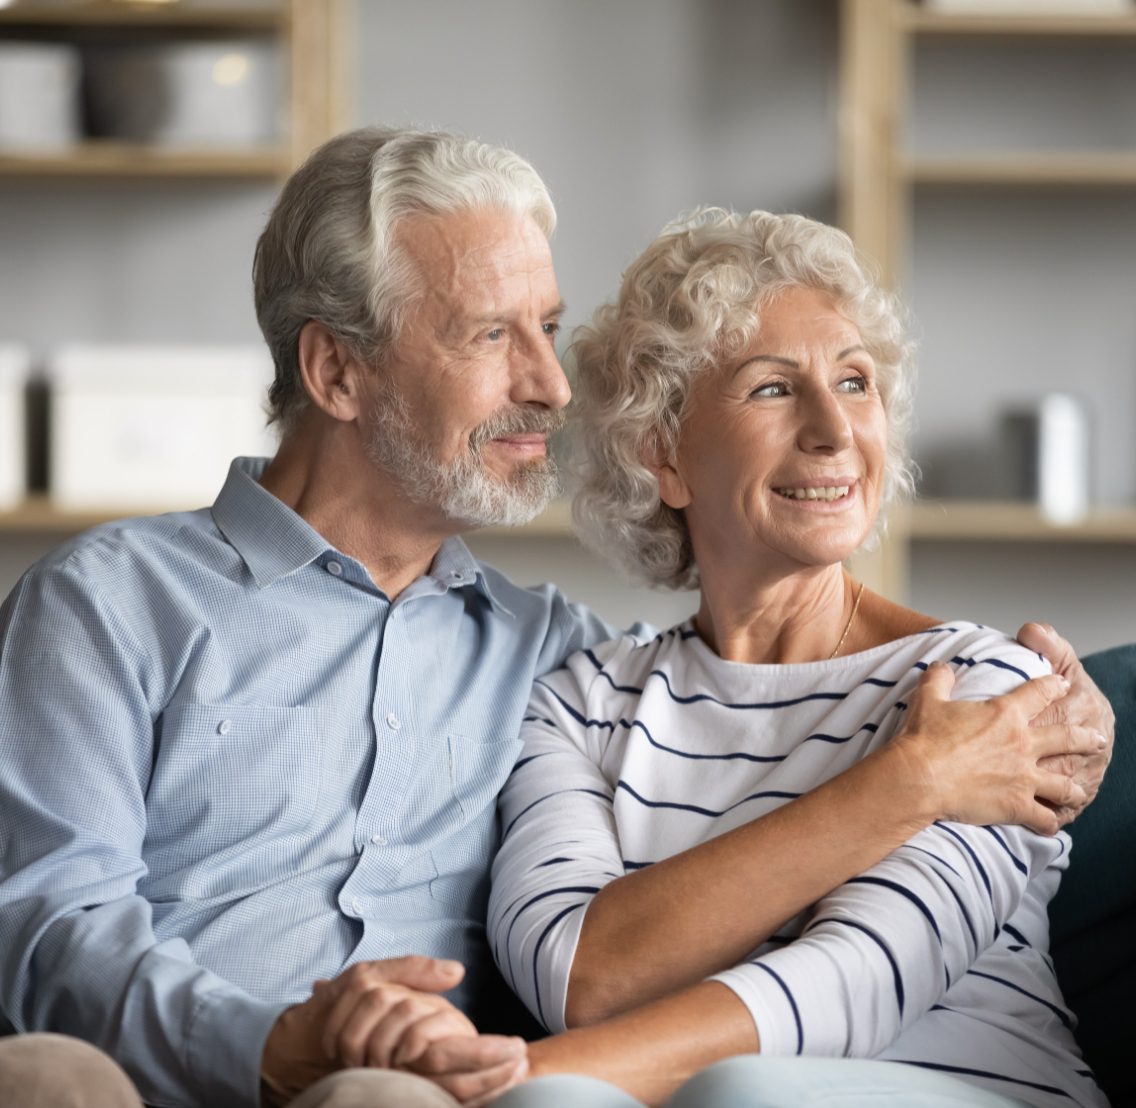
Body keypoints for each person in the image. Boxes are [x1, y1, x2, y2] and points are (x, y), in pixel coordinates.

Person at [0, 130, 1112, 1108]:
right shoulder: (105, 603)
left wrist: (1052, 711)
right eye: (491, 338)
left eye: (548, 327)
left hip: (412, 1087)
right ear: (336, 371)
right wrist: (264, 1045)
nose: (551, 385)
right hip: (146, 1068)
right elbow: (47, 925)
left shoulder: (545, 650)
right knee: (47, 1079)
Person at [488, 208, 1111, 1107]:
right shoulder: (581, 703)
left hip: (954, 1091)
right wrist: (909, 782)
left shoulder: (984, 691)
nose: (833, 429)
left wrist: (480, 1084)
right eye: (773, 389)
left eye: (856, 384)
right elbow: (581, 976)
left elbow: (854, 984)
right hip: (691, 1095)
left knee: (738, 1095)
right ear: (662, 454)